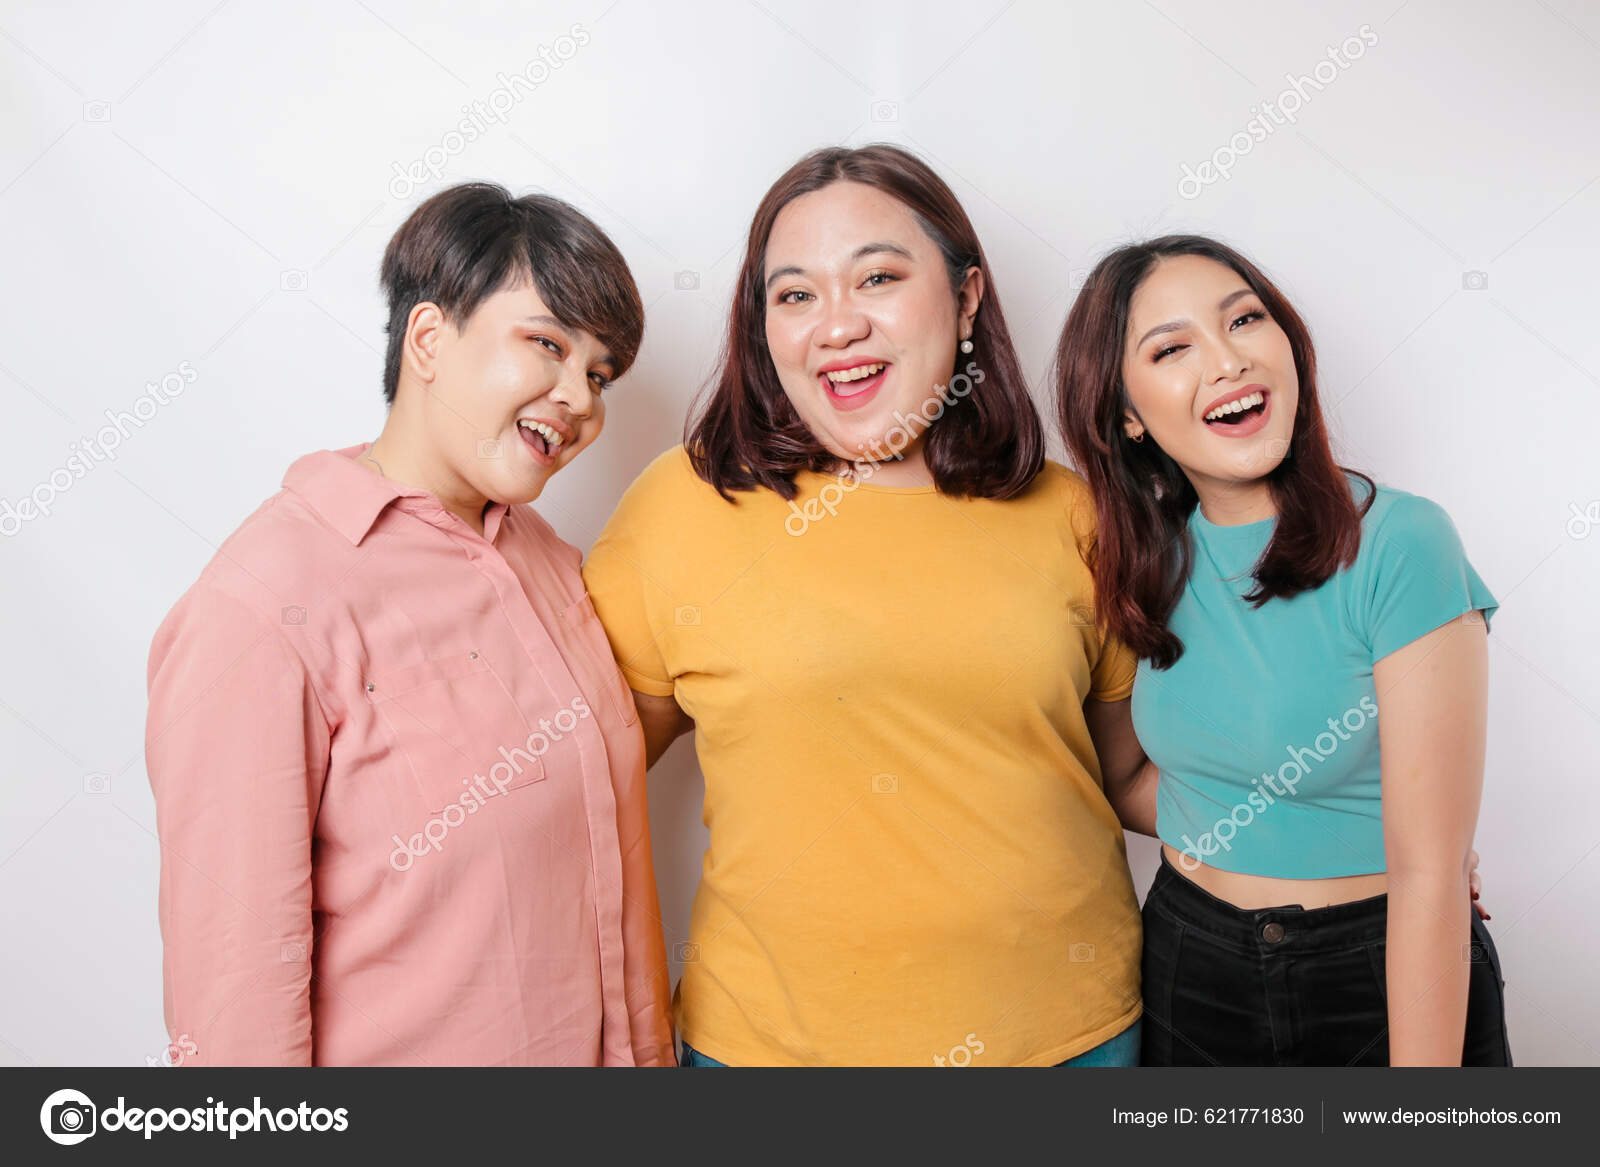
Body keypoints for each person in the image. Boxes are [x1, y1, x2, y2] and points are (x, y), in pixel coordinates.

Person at [582, 145, 1151, 1067]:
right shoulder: (682, 507)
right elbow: (581, 781)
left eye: (878, 276)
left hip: (1072, 1041)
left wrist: (1367, 836)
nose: (835, 325)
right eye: (795, 294)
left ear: (967, 298)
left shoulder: (1075, 513)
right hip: (766, 1054)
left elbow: (1132, 778)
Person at [144, 182, 673, 1066]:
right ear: (428, 339)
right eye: (547, 343)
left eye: (599, 372)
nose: (578, 397)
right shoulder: (261, 604)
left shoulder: (549, 558)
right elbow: (234, 1013)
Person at [1054, 234, 1510, 1066]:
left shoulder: (1402, 543)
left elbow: (1427, 876)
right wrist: (1280, 831)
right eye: (1173, 348)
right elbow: (1128, 781)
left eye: (1245, 320)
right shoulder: (1138, 563)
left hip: (1376, 970)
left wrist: (1405, 851)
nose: (1227, 361)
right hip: (1188, 959)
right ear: (1126, 411)